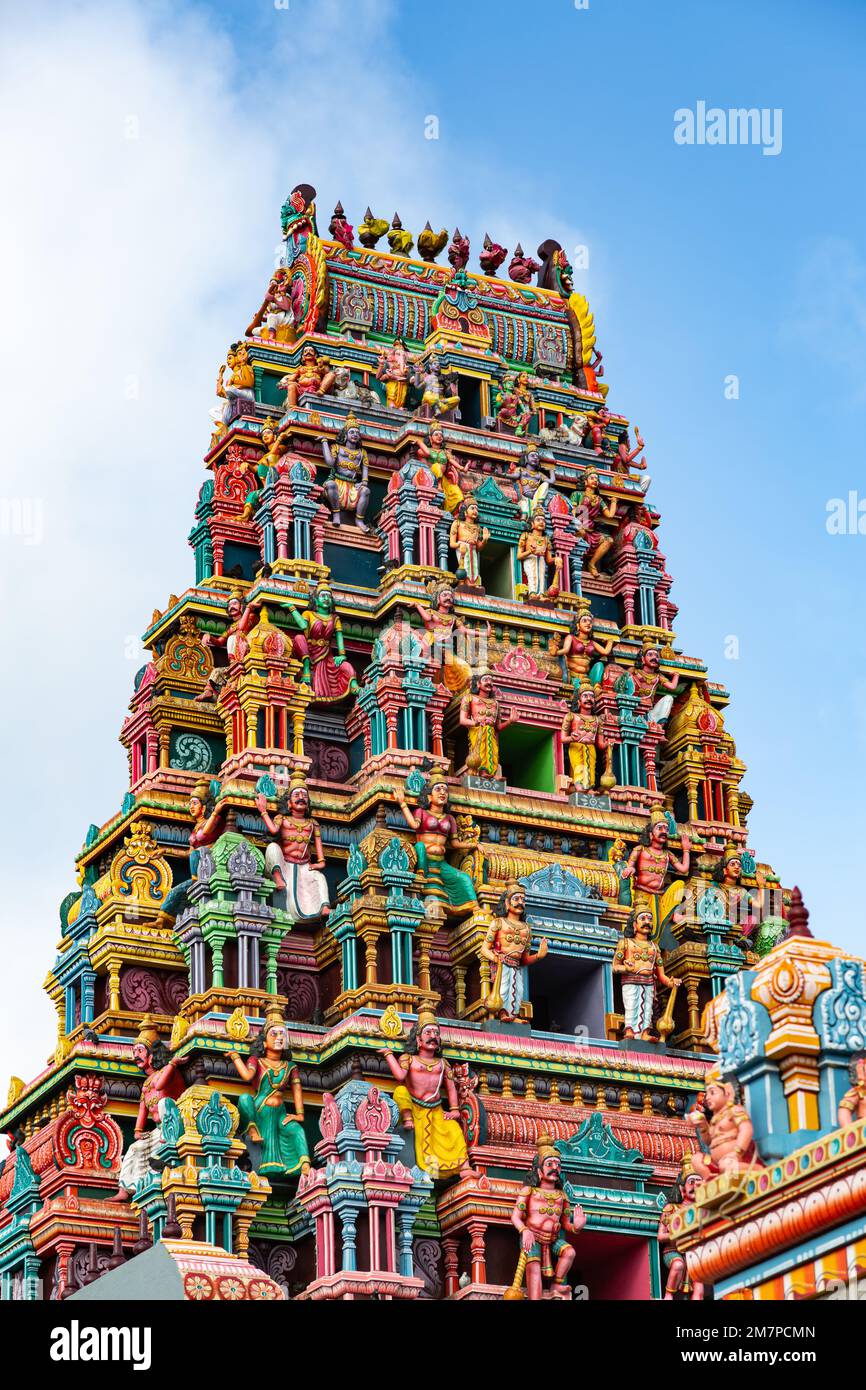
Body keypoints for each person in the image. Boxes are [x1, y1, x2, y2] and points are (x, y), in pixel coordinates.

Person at [381, 1012, 475, 1179]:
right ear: (418, 1039)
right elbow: (400, 1077)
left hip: (436, 1110)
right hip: (415, 1108)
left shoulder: (442, 1064)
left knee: (453, 1130)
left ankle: (464, 1166)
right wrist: (389, 1055)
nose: (433, 1036)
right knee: (400, 1091)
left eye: (436, 1033)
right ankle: (408, 1119)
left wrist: (454, 1109)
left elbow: (451, 1088)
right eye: (428, 1033)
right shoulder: (408, 1059)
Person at [227, 1009, 311, 1180]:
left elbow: (297, 1088)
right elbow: (248, 1076)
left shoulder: (290, 1066)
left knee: (297, 1131)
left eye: (282, 1034)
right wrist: (236, 1058)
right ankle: (252, 1130)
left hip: (280, 1113)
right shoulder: (256, 1061)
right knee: (244, 1099)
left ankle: (305, 1167)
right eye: (274, 1034)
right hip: (260, 1110)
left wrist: (300, 1115)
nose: (280, 1037)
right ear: (264, 1042)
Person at [256, 776, 330, 921]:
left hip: (304, 866)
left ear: (308, 803)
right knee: (272, 847)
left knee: (319, 877)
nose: (301, 798)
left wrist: (317, 865)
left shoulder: (313, 824)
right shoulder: (282, 819)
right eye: (296, 795)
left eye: (304, 795)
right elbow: (272, 831)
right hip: (285, 864)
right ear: (289, 803)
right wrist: (263, 811)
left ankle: (324, 906)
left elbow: (322, 861)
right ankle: (278, 879)